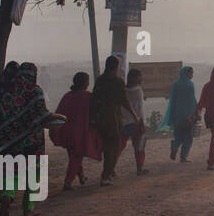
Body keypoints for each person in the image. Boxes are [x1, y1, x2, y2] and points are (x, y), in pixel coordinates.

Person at [0, 63, 61, 216]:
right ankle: (28, 209)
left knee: (13, 172)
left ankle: (6, 196)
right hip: (32, 141)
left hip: (9, 142)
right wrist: (59, 117)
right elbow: (42, 115)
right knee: (34, 173)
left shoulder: (8, 91)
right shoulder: (35, 91)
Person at [91, 56, 139, 185]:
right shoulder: (117, 82)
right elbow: (124, 101)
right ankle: (105, 176)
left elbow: (94, 99)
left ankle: (107, 173)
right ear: (116, 67)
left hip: (101, 118)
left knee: (109, 146)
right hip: (112, 118)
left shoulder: (100, 80)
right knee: (112, 147)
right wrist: (134, 116)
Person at [51, 72, 101, 190]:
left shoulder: (67, 96)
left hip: (66, 131)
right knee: (76, 157)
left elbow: (59, 113)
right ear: (84, 83)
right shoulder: (87, 96)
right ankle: (67, 182)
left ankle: (81, 176)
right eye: (87, 81)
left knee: (74, 155)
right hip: (78, 133)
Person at [158, 65, 199, 163]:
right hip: (188, 116)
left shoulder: (176, 84)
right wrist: (196, 112)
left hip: (177, 115)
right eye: (191, 73)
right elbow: (192, 100)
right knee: (188, 137)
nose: (192, 75)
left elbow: (173, 100)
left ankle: (175, 147)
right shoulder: (190, 85)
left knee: (178, 134)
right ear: (187, 73)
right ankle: (183, 157)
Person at [124, 68, 149, 174]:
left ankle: (110, 170)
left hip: (123, 122)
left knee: (118, 147)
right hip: (135, 122)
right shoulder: (138, 91)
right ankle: (139, 168)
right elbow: (139, 109)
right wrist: (142, 123)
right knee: (139, 146)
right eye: (140, 76)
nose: (141, 78)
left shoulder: (123, 90)